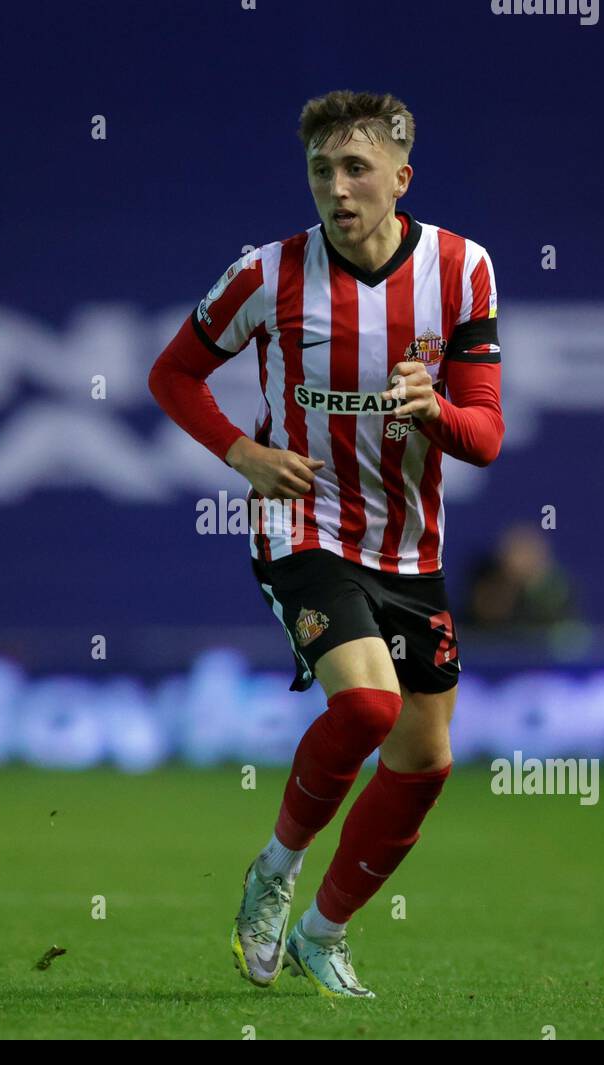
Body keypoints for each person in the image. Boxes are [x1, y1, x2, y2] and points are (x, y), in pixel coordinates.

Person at [148, 90, 504, 998]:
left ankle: (322, 931)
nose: (337, 189)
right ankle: (273, 871)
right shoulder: (267, 276)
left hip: (410, 545)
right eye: (321, 171)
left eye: (356, 170)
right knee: (371, 712)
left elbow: (487, 436)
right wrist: (245, 453)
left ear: (400, 178)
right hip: (303, 526)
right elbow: (173, 373)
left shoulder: (463, 271)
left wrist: (440, 413)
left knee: (424, 761)